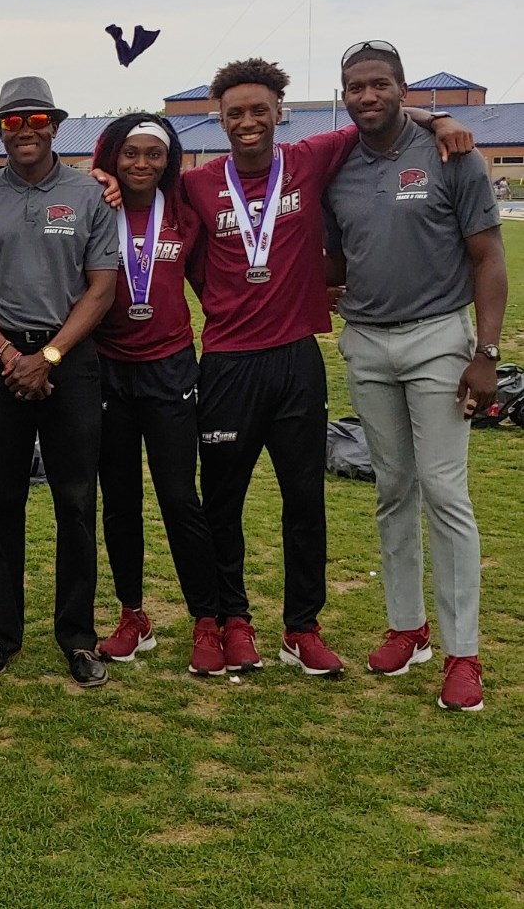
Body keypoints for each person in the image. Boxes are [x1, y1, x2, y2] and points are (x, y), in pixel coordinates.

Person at [180, 57, 474, 677]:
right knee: (223, 500)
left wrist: (441, 114)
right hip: (228, 361)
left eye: (260, 110)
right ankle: (228, 620)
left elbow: (382, 115)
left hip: (296, 359)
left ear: (281, 113)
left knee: (303, 501)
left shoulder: (314, 156)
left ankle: (301, 627)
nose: (249, 121)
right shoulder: (200, 184)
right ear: (221, 119)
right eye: (236, 113)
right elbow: (184, 253)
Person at [324, 40, 506, 711]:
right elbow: (334, 262)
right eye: (355, 87)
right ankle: (409, 629)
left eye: (379, 84)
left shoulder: (451, 154)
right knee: (393, 489)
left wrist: (485, 355)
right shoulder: (338, 163)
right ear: (344, 95)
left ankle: (464, 653)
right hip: (367, 343)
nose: (367, 96)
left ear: (404, 89)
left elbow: (488, 258)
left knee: (444, 491)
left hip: (438, 339)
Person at [0, 77, 116, 685]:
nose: (26, 131)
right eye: (14, 122)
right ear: (0, 129)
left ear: (55, 123)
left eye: (37, 120)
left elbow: (101, 286)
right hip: (0, 361)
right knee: (0, 503)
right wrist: (6, 354)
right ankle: (2, 635)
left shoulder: (87, 194)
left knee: (76, 501)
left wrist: (47, 356)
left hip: (68, 360)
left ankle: (78, 638)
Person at [90, 113, 224, 675]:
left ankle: (207, 620)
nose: (142, 163)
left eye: (154, 154)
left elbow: (207, 281)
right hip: (107, 370)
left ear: (169, 162)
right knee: (119, 501)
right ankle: (132, 616)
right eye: (131, 154)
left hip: (170, 369)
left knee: (178, 497)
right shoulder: (99, 206)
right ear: (115, 156)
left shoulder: (187, 214)